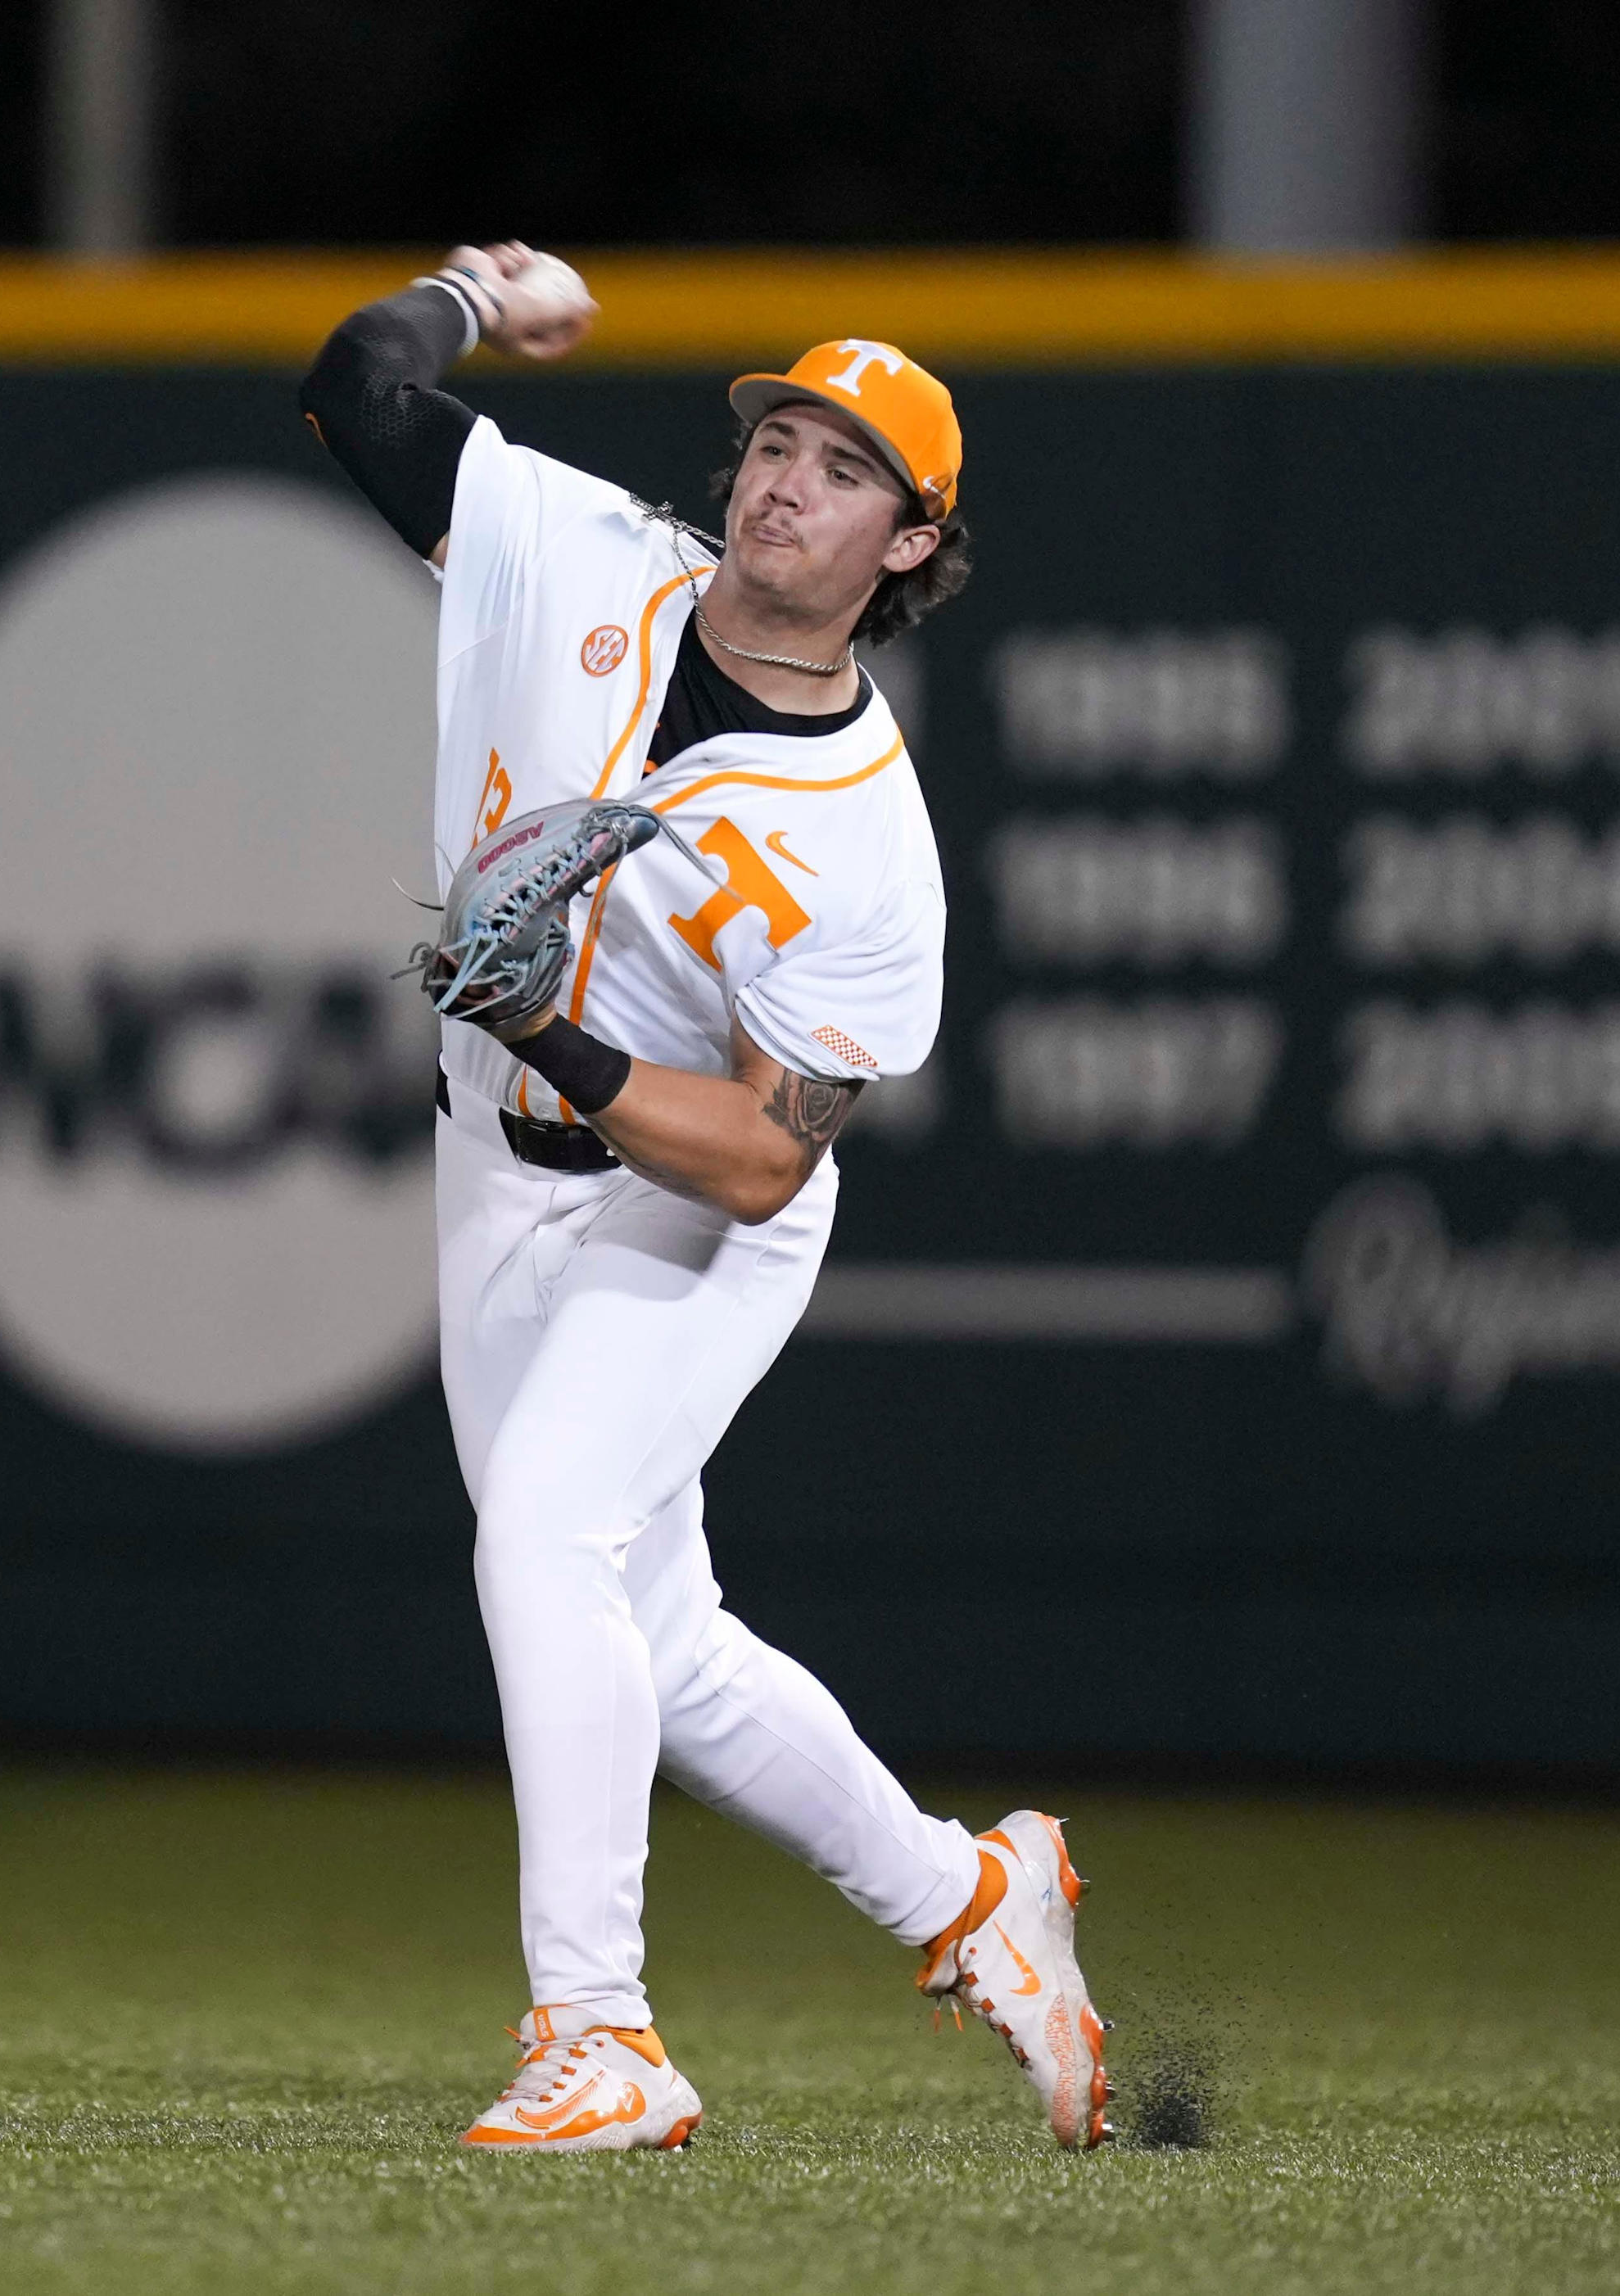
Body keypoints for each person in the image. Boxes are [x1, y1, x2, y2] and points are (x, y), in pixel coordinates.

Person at [299, 242, 1108, 2154]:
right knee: (659, 1644)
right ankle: (967, 1898)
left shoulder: (871, 849)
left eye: (842, 468)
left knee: (541, 1545)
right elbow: (355, 387)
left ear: (911, 546)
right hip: (490, 1161)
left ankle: (602, 2032)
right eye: (778, 437)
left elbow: (761, 1153)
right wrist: (474, 293)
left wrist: (560, 1037)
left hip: (692, 1211)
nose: (784, 479)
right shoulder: (575, 548)